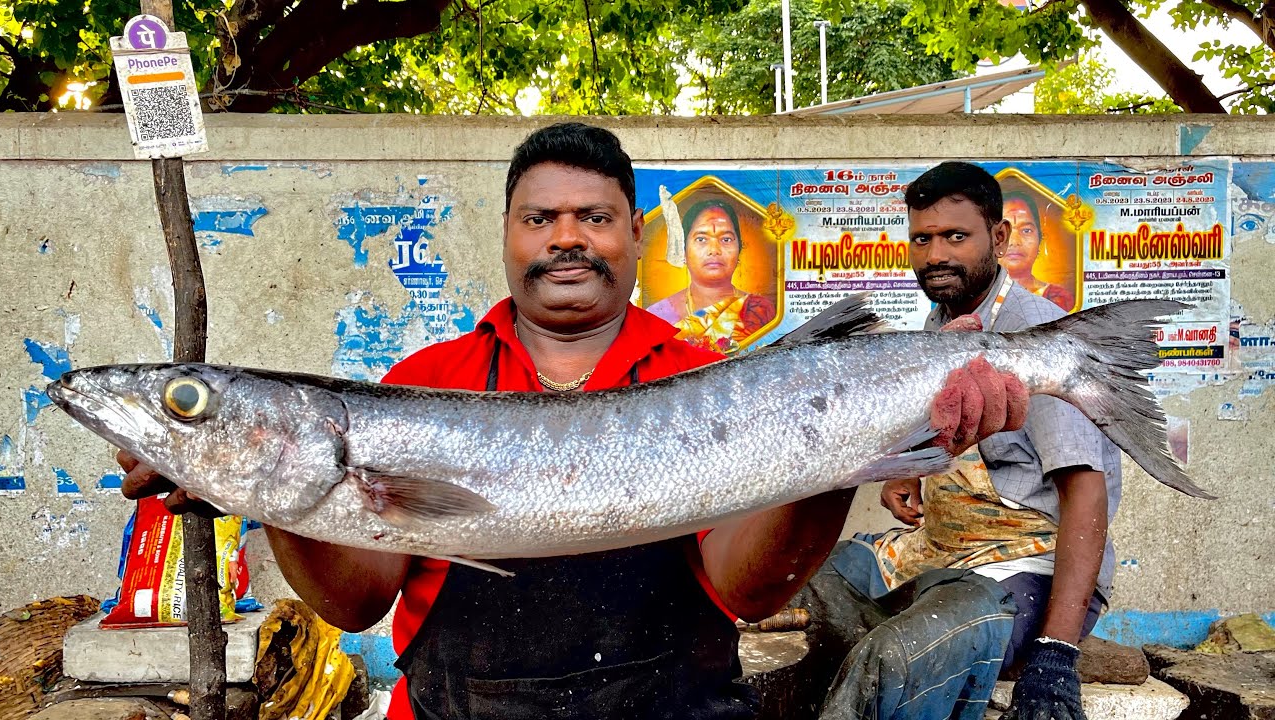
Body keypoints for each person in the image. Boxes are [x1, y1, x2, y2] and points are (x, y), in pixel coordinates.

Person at [120, 125, 1027, 720]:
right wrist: (257, 485)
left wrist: (835, 456)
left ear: (635, 235)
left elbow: (747, 592)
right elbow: (356, 601)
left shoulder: (714, 381)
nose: (567, 237)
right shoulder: (424, 384)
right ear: (508, 235)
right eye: (540, 218)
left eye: (594, 217)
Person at [799, 161, 1121, 720]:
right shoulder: (940, 324)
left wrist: (1058, 653)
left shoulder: (1033, 339)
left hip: (1027, 567)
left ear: (997, 237)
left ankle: (929, 641)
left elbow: (1086, 495)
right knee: (807, 575)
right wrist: (910, 469)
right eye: (921, 239)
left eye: (955, 236)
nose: (935, 254)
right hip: (944, 549)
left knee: (897, 653)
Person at [646, 199, 777, 353]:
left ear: (739, 248)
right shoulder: (656, 316)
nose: (714, 250)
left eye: (726, 239)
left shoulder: (759, 311)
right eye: (701, 239)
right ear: (684, 249)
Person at [1000, 191, 1076, 312]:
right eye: (1003, 232)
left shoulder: (1058, 298)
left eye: (1026, 230)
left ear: (1040, 239)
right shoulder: (974, 299)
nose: (1014, 241)